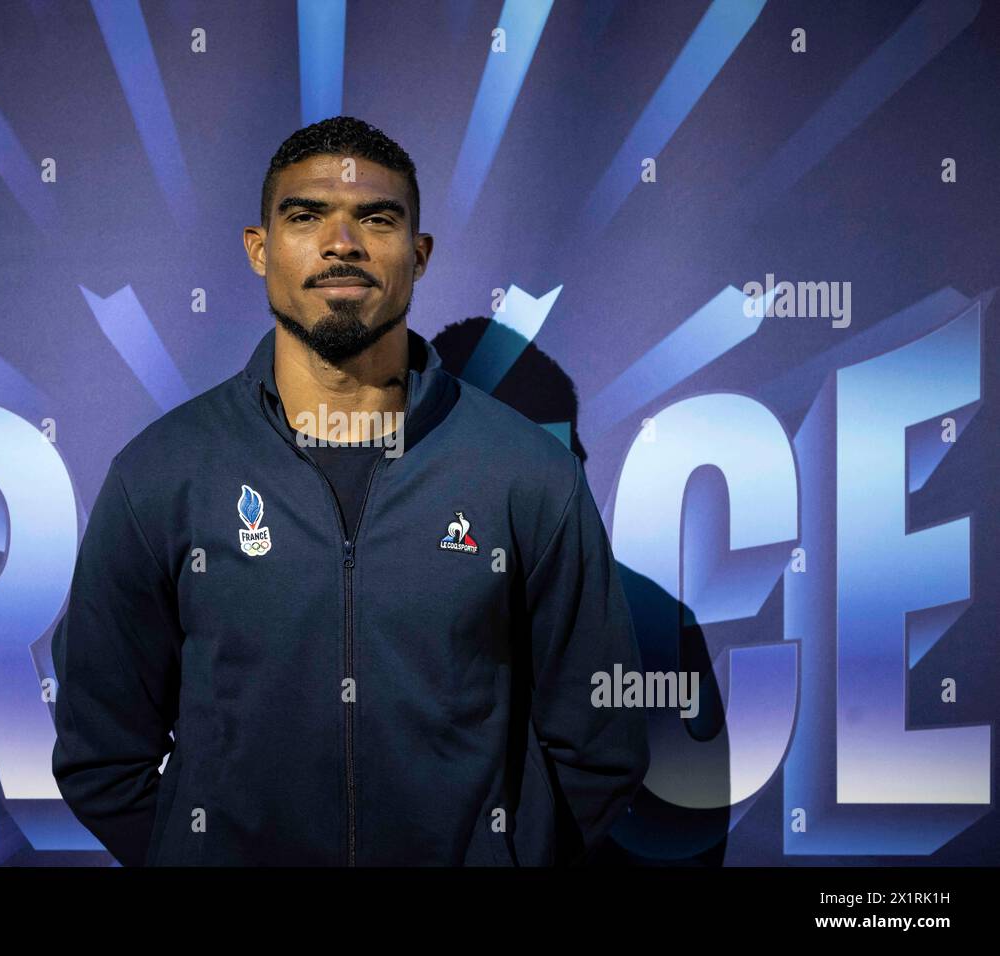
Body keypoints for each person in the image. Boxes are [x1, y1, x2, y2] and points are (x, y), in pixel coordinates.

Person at [50, 116, 649, 866]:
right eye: (305, 216)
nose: (342, 242)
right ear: (258, 248)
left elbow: (601, 748)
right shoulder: (163, 474)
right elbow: (101, 756)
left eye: (377, 218)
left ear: (419, 255)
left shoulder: (527, 476)